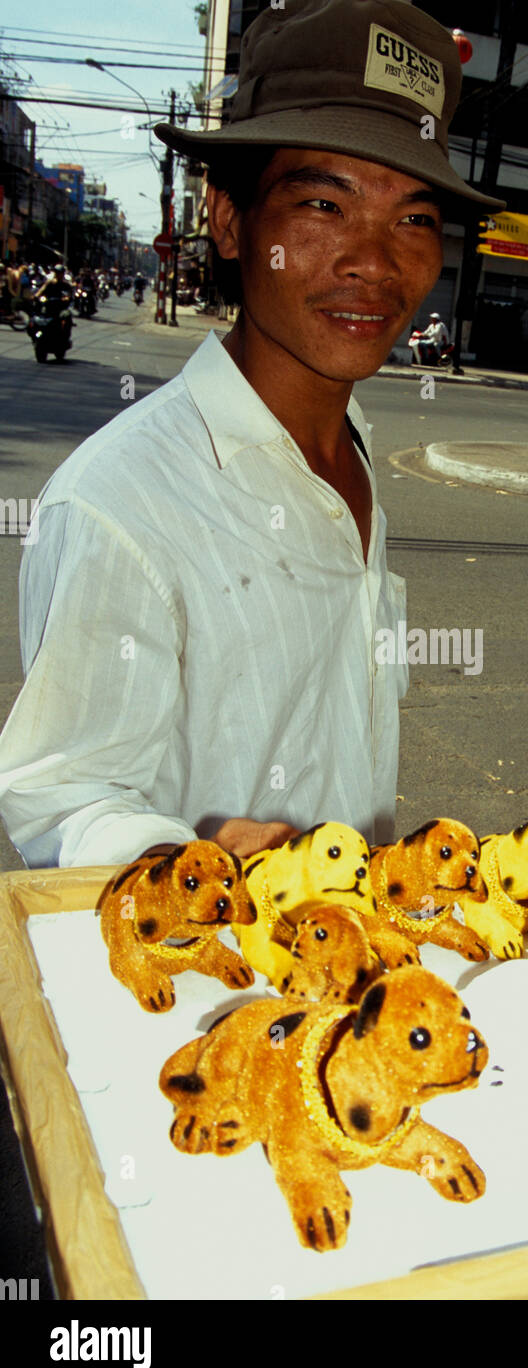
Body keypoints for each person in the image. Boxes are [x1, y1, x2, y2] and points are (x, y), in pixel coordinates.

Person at [0, 0, 502, 868]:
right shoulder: (120, 506)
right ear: (229, 222)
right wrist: (189, 852)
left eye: (414, 219)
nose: (374, 262)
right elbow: (58, 799)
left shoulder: (350, 447)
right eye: (323, 204)